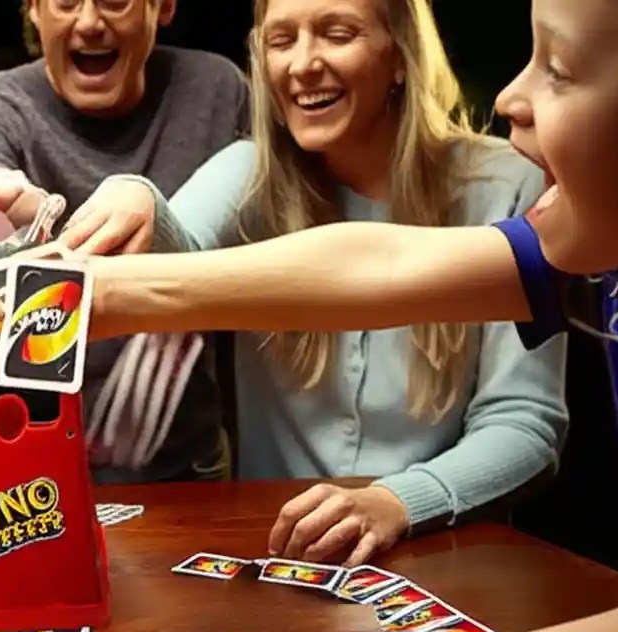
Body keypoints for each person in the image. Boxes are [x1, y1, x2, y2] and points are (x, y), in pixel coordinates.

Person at [70, 0, 618, 632]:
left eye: (559, 69)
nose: (510, 100)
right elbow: (379, 265)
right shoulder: (600, 260)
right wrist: (111, 279)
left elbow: (523, 422)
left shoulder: (534, 202)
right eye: (280, 40)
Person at [62, 0, 569, 567]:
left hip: (442, 549)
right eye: (282, 41)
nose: (303, 64)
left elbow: (525, 423)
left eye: (337, 33)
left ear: (400, 54)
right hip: (279, 551)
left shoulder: (509, 186)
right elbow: (177, 259)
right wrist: (134, 194)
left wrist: (395, 502)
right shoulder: (247, 172)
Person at [0, 0, 250, 484]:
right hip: (30, 476)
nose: (88, 23)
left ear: (162, 8)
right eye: (65, 2)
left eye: (114, 1)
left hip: (187, 465)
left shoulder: (219, 89)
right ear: (34, 12)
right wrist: (0, 208)